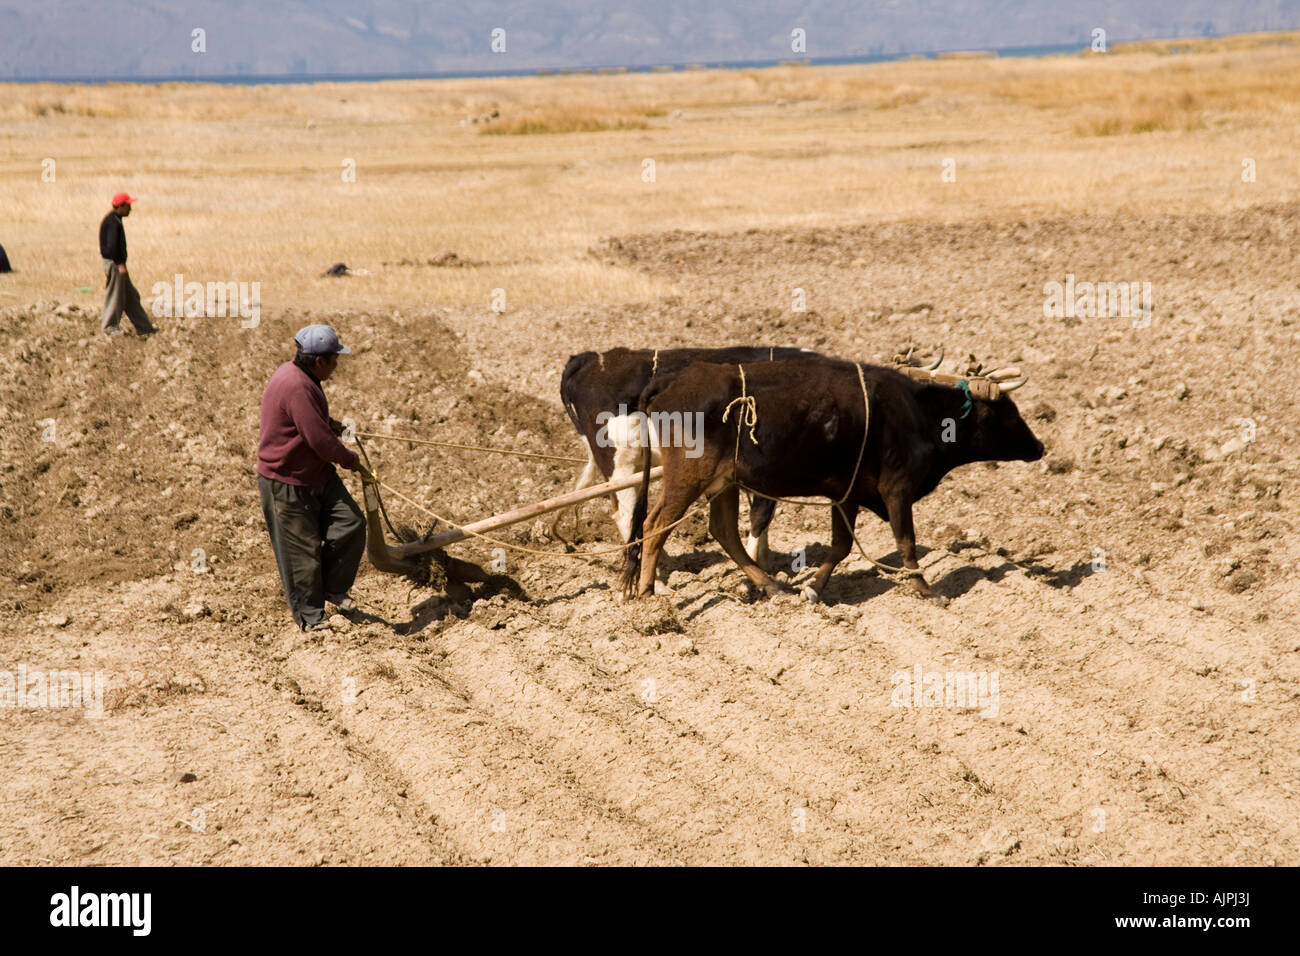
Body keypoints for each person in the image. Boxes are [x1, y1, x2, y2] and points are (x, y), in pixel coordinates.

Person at [256, 324, 373, 630]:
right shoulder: (296, 385)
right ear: (320, 361)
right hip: (287, 481)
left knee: (350, 523)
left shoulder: (303, 377)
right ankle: (311, 618)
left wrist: (330, 423)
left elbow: (311, 424)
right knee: (302, 554)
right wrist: (351, 461)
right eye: (334, 360)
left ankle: (333, 587)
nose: (337, 366)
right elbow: (319, 441)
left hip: (315, 473)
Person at [99, 192, 157, 335]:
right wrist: (120, 265)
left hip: (117, 264)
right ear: (121, 206)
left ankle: (145, 328)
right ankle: (109, 327)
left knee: (131, 297)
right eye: (128, 205)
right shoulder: (113, 222)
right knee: (116, 295)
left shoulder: (115, 219)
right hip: (115, 264)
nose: (130, 208)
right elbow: (112, 247)